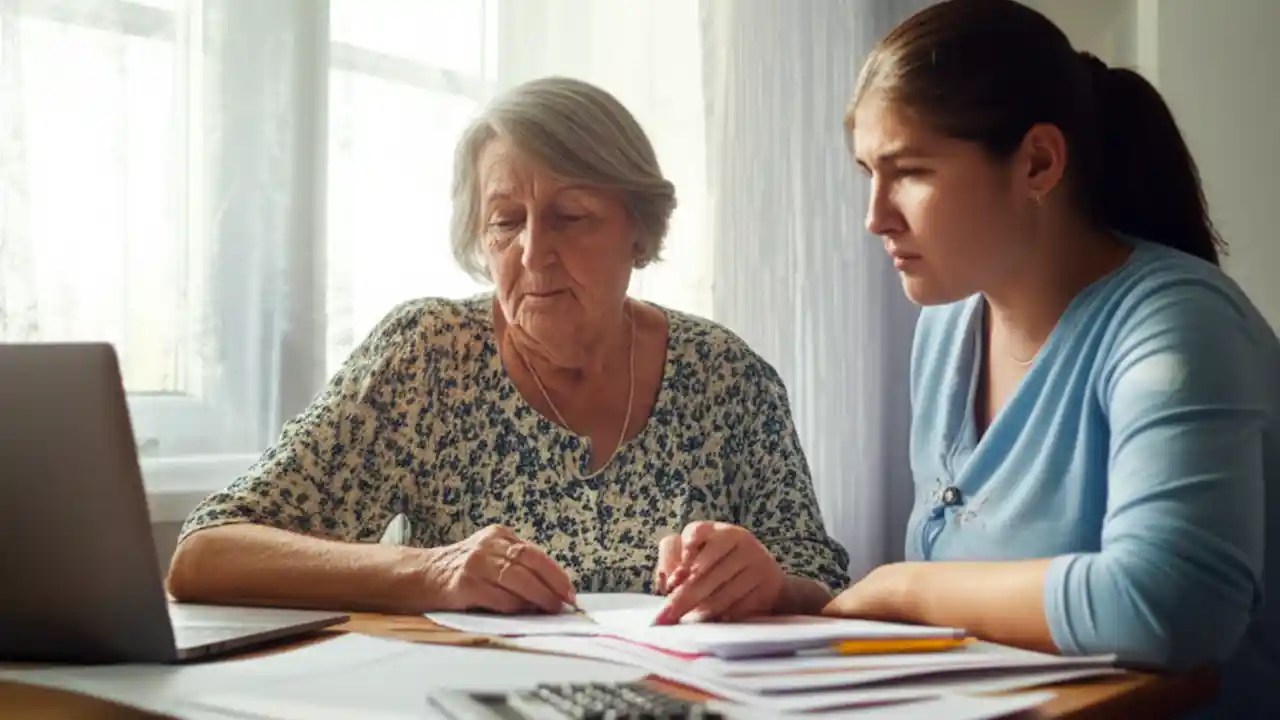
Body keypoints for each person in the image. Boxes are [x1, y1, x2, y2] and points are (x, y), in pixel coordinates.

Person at [167, 77, 849, 621]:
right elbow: (206, 554)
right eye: (505, 221)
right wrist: (429, 572)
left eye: (571, 217)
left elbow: (821, 580)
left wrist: (772, 584)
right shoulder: (428, 358)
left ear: (638, 230)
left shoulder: (724, 376)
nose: (533, 253)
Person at [820, 0, 1277, 715]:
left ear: (1037, 162)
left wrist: (899, 588)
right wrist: (802, 601)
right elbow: (982, 600)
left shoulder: (1178, 325)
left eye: (908, 171)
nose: (875, 215)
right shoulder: (945, 327)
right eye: (867, 174)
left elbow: (1169, 606)